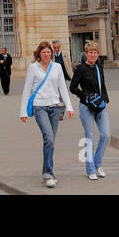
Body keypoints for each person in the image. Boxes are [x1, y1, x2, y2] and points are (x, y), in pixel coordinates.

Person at [19, 41, 74, 188]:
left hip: (55, 107)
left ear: (51, 53)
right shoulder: (33, 68)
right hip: (40, 107)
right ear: (39, 53)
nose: (46, 54)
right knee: (49, 138)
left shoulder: (57, 67)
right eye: (43, 52)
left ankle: (46, 171)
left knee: (50, 142)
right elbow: (26, 90)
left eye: (48, 52)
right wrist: (23, 111)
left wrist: (69, 107)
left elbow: (63, 88)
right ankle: (49, 174)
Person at [70, 40, 109, 180]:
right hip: (86, 106)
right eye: (91, 52)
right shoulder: (80, 68)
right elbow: (73, 87)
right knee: (90, 137)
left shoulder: (99, 67)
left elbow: (102, 85)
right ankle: (91, 169)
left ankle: (98, 163)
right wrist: (84, 96)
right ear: (86, 54)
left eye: (95, 53)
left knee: (106, 135)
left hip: (100, 105)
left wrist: (104, 99)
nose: (93, 55)